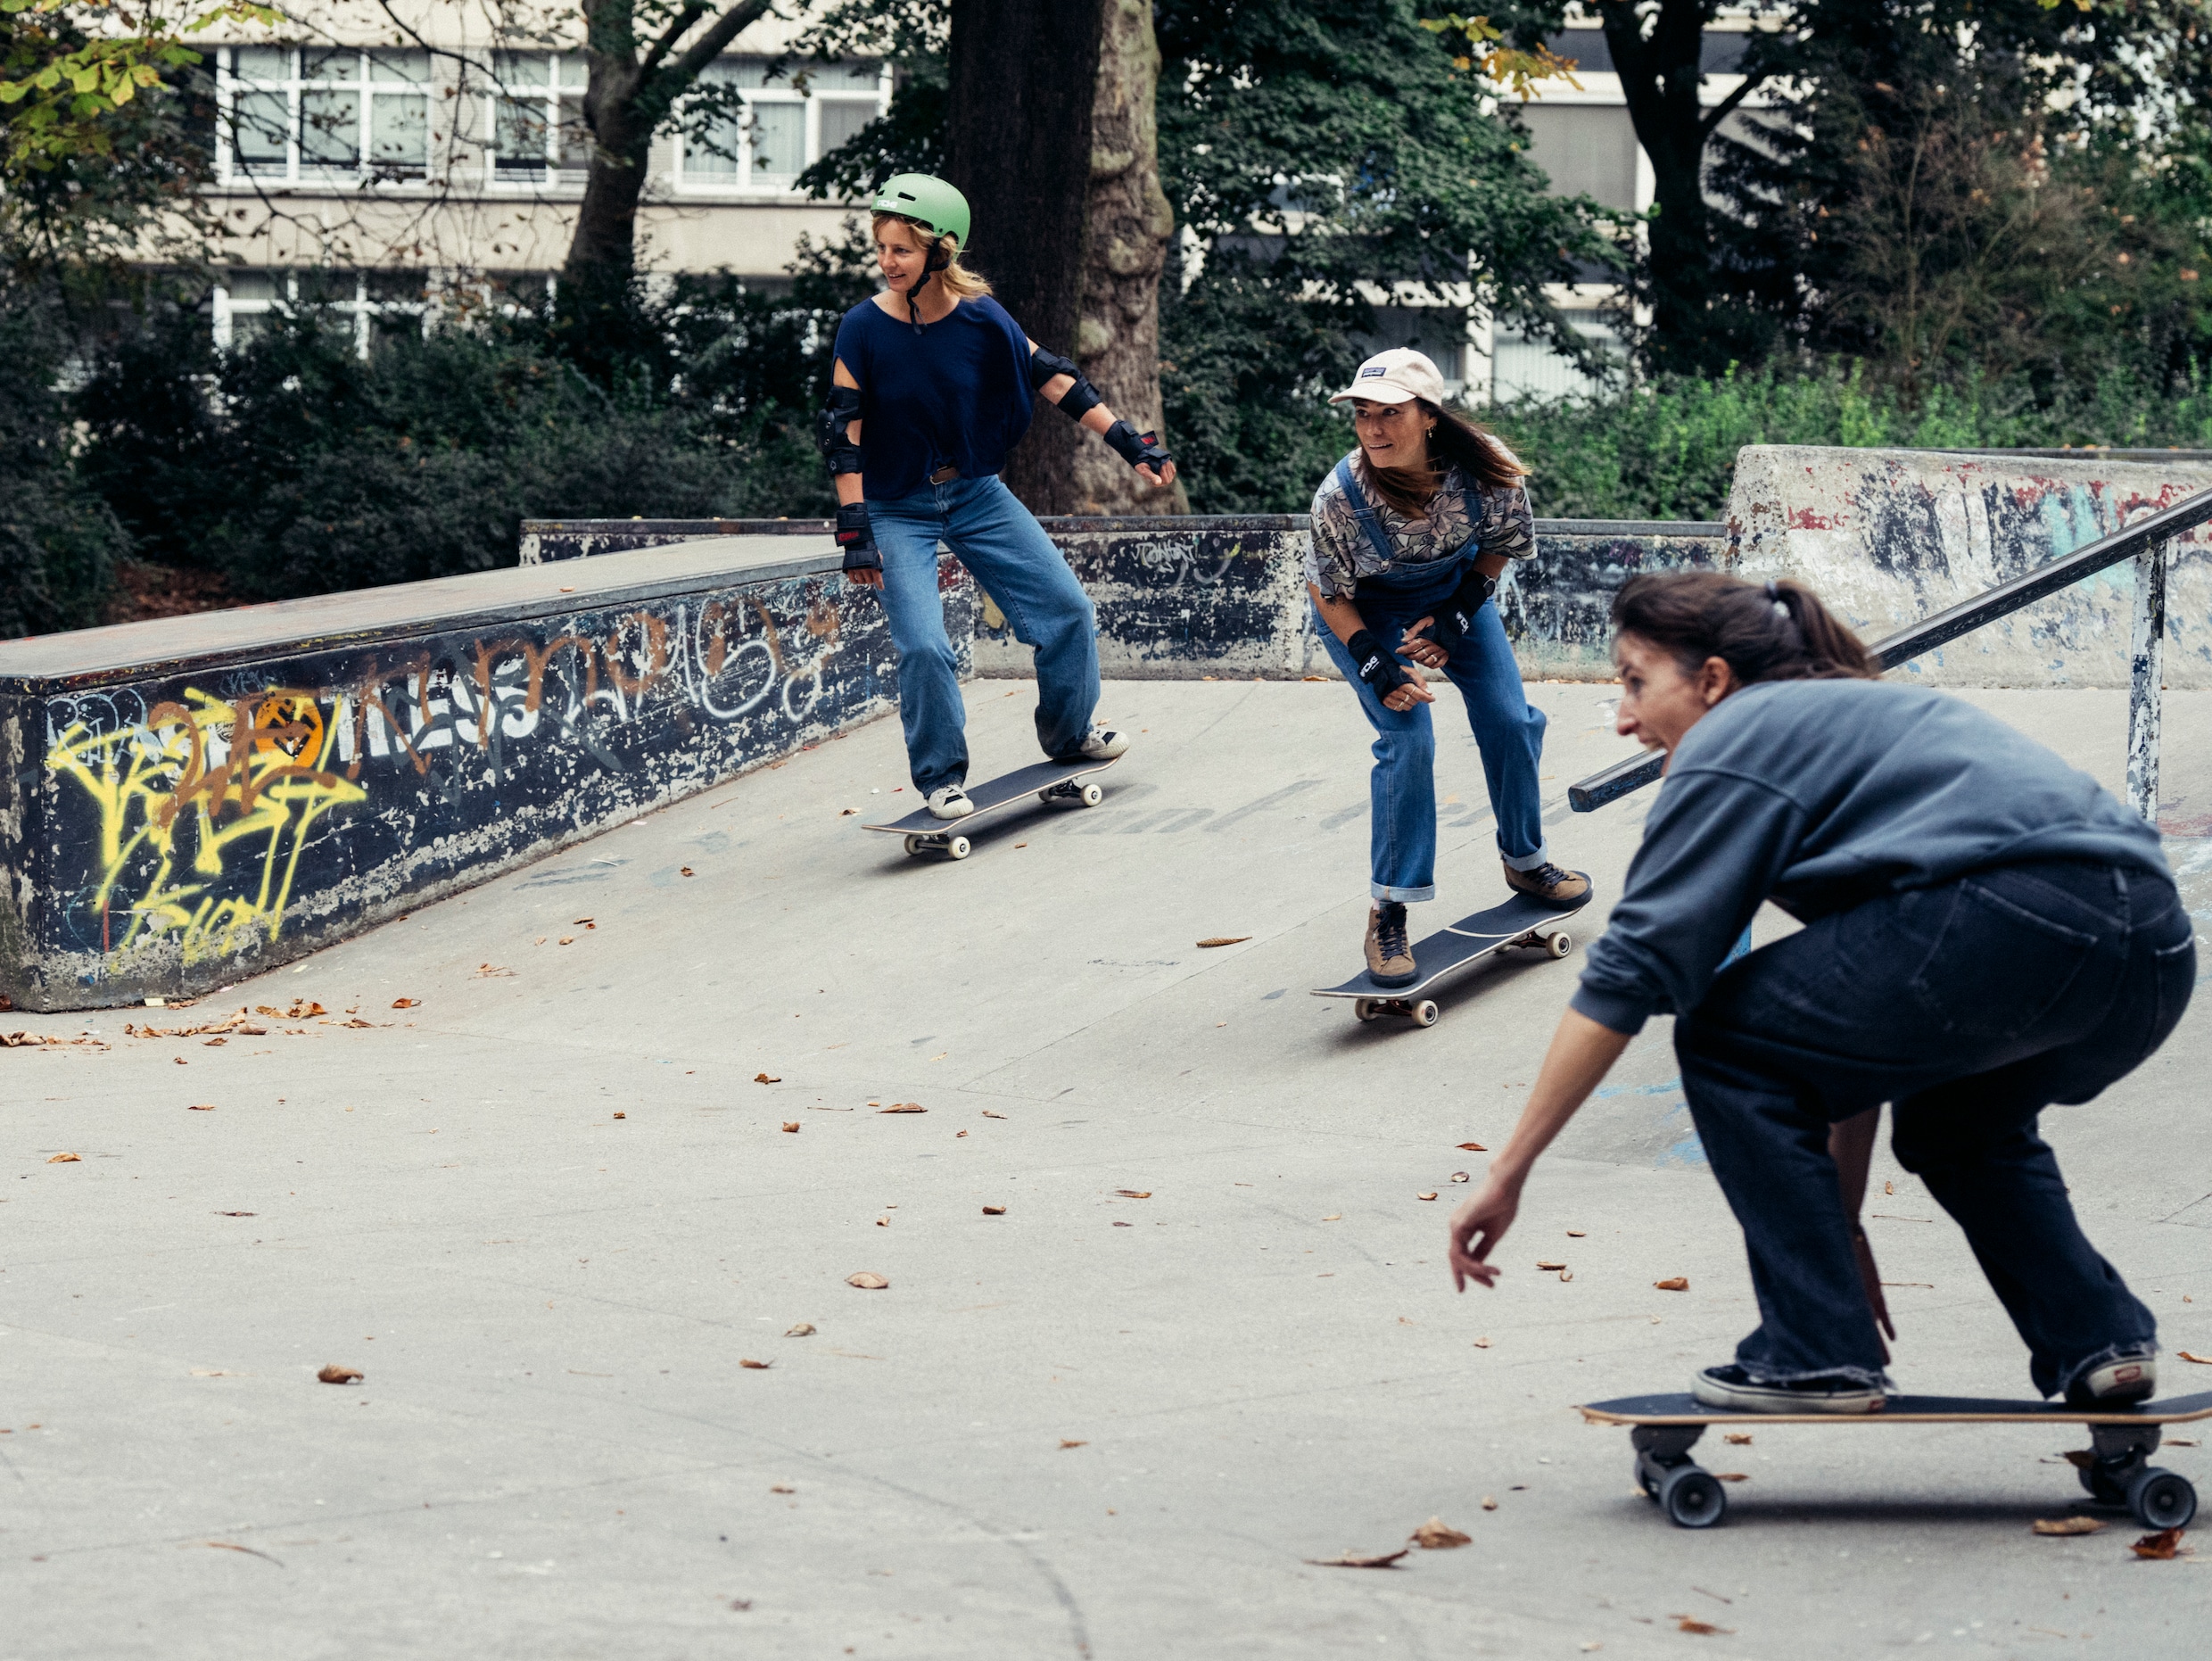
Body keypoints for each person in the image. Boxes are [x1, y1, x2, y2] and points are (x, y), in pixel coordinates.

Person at [1447, 571, 2191, 1413]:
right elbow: (1852, 1049)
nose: (1623, 718)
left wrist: (1507, 1172)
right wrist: (1840, 1234)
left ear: (1714, 680)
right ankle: (2100, 1340)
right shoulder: (1849, 719)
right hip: (2151, 950)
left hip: (2012, 919)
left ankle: (1811, 1353)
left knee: (1723, 1037)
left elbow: (1628, 973)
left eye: (1634, 682)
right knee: (1959, 1124)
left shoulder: (1741, 735)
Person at [821, 173, 1177, 818]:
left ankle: (1070, 735)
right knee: (925, 647)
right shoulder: (862, 328)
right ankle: (940, 778)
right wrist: (856, 529)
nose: (886, 261)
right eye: (880, 247)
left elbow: (1052, 376)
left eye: (901, 249)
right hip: (896, 504)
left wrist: (1129, 442)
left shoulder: (983, 318)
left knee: (1067, 610)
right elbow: (843, 431)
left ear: (942, 250)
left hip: (976, 493)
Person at [1307, 348, 1588, 988]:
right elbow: (1328, 590)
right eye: (1363, 416)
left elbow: (1498, 546)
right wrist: (1376, 662)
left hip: (1454, 596)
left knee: (1510, 720)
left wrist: (1460, 614)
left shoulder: (1487, 471)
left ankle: (1526, 861)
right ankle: (1390, 909)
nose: (1374, 429)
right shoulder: (1341, 497)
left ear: (1428, 416)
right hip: (1361, 613)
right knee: (1408, 742)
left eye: (1390, 414)